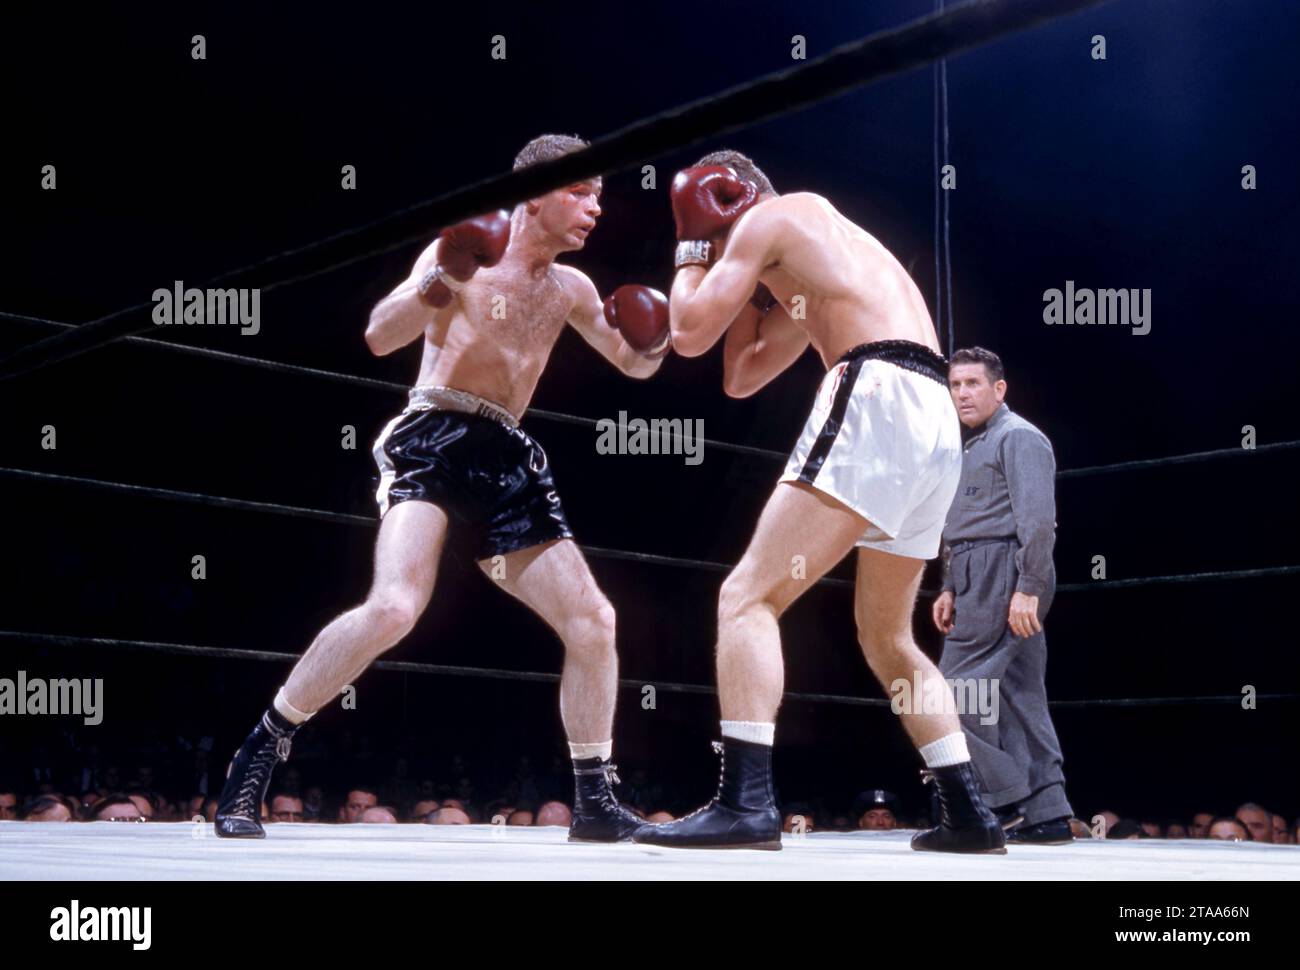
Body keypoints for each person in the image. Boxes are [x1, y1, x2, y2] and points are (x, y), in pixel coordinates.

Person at [213, 135, 669, 844]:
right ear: (539, 191)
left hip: (507, 455)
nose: (595, 209)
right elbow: (379, 334)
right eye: (582, 193)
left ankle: (595, 800)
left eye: (601, 197)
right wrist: (446, 278)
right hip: (434, 431)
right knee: (395, 605)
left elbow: (632, 366)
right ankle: (258, 754)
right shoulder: (463, 246)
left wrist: (656, 336)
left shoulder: (573, 289)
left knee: (595, 624)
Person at [632, 151, 1003, 853]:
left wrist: (688, 251)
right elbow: (739, 376)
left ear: (728, 202)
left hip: (878, 392)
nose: (715, 253)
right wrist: (739, 282)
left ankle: (743, 803)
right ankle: (968, 810)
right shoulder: (819, 250)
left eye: (712, 234)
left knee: (747, 596)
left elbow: (686, 333)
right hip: (933, 419)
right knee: (887, 636)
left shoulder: (774, 214)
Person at [930, 346, 1073, 845]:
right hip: (980, 572)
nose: (963, 393)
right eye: (955, 385)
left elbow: (1038, 521)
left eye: (972, 383)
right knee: (1017, 693)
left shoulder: (1020, 437)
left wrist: (1028, 587)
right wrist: (949, 583)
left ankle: (1001, 798)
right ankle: (1046, 813)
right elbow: (961, 523)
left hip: (1004, 570)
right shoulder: (971, 446)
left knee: (947, 693)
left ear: (999, 388)